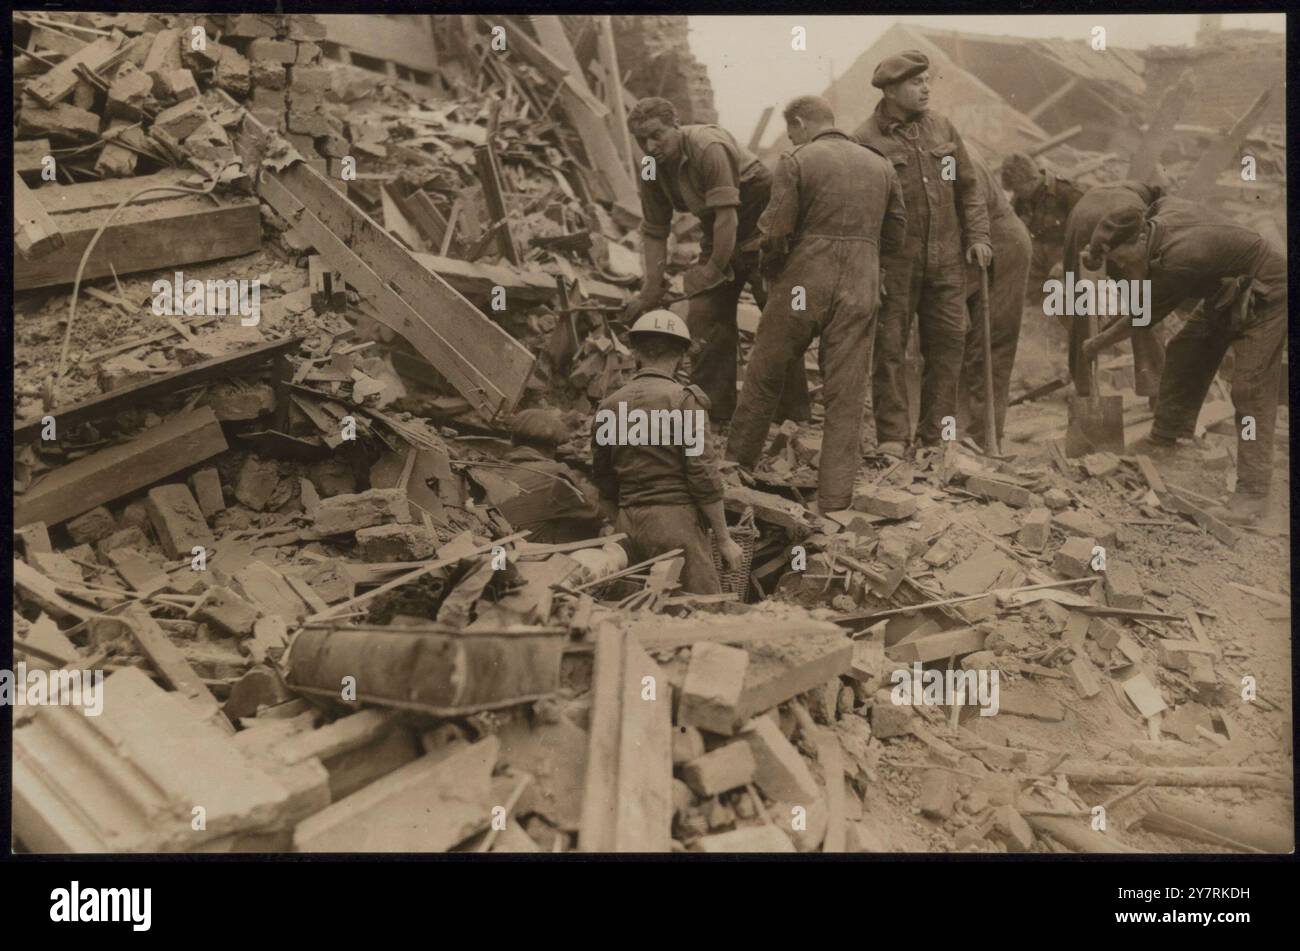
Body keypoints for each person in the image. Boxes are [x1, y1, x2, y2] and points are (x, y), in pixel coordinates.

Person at [726, 95, 906, 512]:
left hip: (805, 279)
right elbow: (896, 236)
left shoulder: (798, 159)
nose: (792, 138)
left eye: (792, 131)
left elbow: (773, 232)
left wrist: (774, 275)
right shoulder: (880, 165)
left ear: (802, 124)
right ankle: (835, 499)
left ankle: (735, 468)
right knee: (846, 390)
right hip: (861, 282)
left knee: (765, 371)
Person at [1080, 204, 1286, 525]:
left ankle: (1254, 493)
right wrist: (1096, 255)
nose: (1121, 266)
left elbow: (1144, 316)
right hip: (1229, 285)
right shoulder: (1155, 226)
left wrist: (1097, 343)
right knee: (1185, 348)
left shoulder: (1181, 259)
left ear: (1140, 240)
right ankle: (1166, 435)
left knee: (1249, 389)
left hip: (1270, 289)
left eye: (1122, 259)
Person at [622, 96, 808, 424]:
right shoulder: (651, 167)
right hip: (718, 229)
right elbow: (654, 231)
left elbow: (728, 217)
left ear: (676, 126)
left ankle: (791, 415)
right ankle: (715, 413)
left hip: (760, 223)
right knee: (705, 317)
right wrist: (650, 289)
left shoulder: (707, 146)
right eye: (640, 139)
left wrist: (712, 270)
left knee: (776, 316)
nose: (649, 146)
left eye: (656, 135)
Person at [855, 50, 992, 455]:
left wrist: (978, 236)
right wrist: (873, 267)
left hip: (947, 261)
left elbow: (966, 186)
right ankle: (893, 437)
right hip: (895, 265)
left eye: (928, 80)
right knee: (889, 349)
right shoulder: (866, 140)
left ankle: (935, 437)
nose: (926, 87)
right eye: (917, 82)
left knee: (949, 344)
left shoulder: (942, 130)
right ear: (892, 90)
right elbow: (865, 212)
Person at [591, 310, 742, 593]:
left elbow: (602, 476)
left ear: (635, 351)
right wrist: (723, 538)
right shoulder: (684, 401)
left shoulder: (608, 406)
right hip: (675, 526)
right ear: (683, 355)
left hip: (626, 524)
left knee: (629, 618)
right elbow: (703, 474)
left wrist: (616, 522)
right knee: (702, 614)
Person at [959, 147, 1032, 450]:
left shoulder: (964, 163)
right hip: (980, 250)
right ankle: (968, 429)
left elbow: (972, 213)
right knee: (967, 342)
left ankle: (985, 437)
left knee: (990, 345)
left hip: (1003, 249)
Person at [493, 409, 603, 544]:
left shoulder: (493, 468)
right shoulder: (554, 473)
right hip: (526, 555)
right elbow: (593, 512)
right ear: (552, 447)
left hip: (491, 551)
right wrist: (588, 487)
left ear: (513, 440)